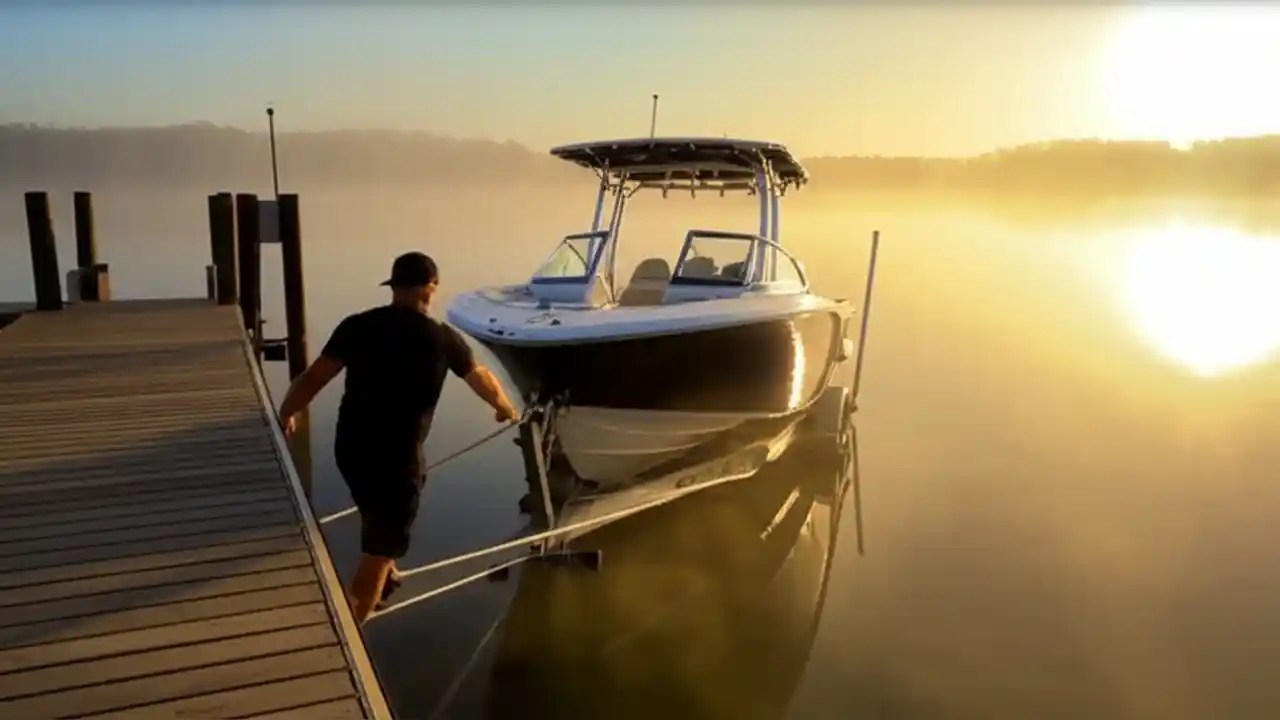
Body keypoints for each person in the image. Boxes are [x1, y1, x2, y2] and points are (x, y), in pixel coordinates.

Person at [278, 251, 519, 624]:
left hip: (350, 450)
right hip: (398, 460)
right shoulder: (441, 339)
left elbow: (314, 377)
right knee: (379, 546)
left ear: (394, 287)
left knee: (377, 514)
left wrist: (288, 410)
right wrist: (505, 408)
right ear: (431, 288)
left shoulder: (357, 326)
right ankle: (351, 626)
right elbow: (481, 377)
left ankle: (383, 570)